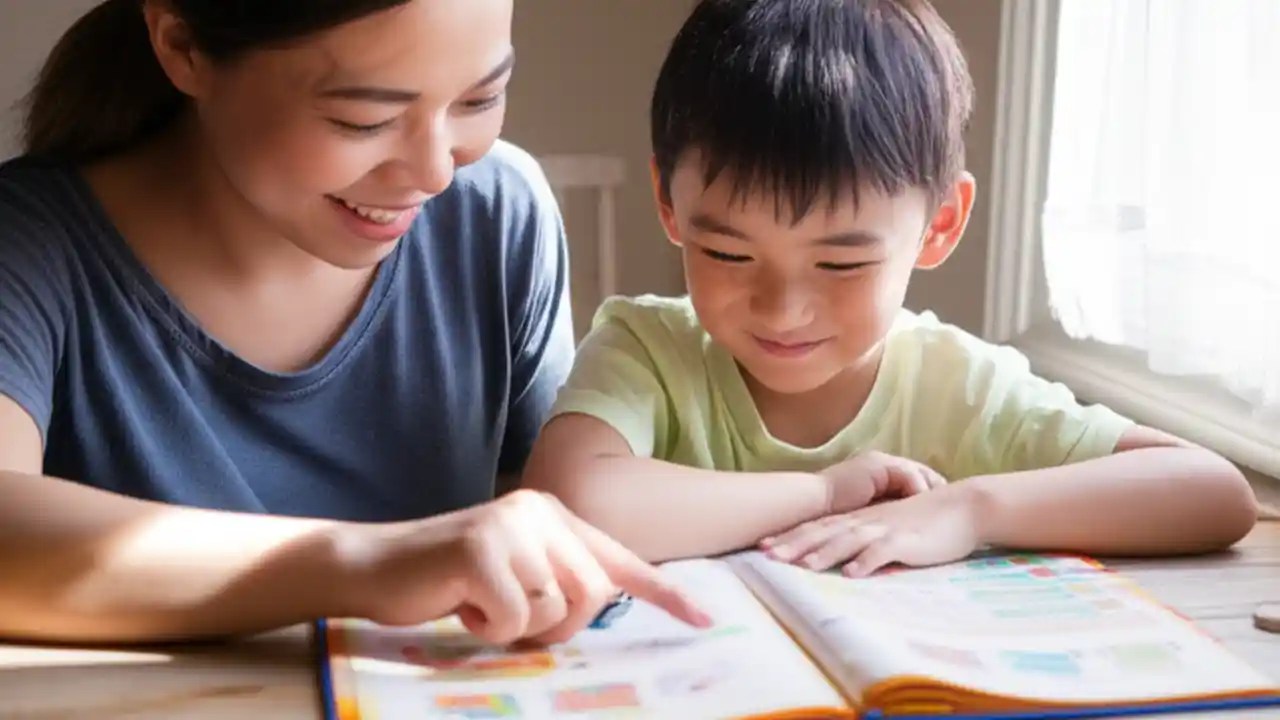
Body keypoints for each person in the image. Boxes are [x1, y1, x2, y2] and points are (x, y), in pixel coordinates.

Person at [0, 0, 711, 646]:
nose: (434, 171)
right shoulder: (32, 245)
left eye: (480, 98)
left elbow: (553, 513)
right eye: (362, 121)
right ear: (182, 46)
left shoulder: (496, 215)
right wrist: (373, 563)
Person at [522, 0, 1259, 574]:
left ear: (940, 224)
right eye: (727, 252)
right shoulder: (646, 350)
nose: (783, 307)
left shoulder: (957, 385)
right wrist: (824, 492)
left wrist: (970, 510)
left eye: (840, 264)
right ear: (668, 205)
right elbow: (573, 502)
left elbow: (1213, 493)